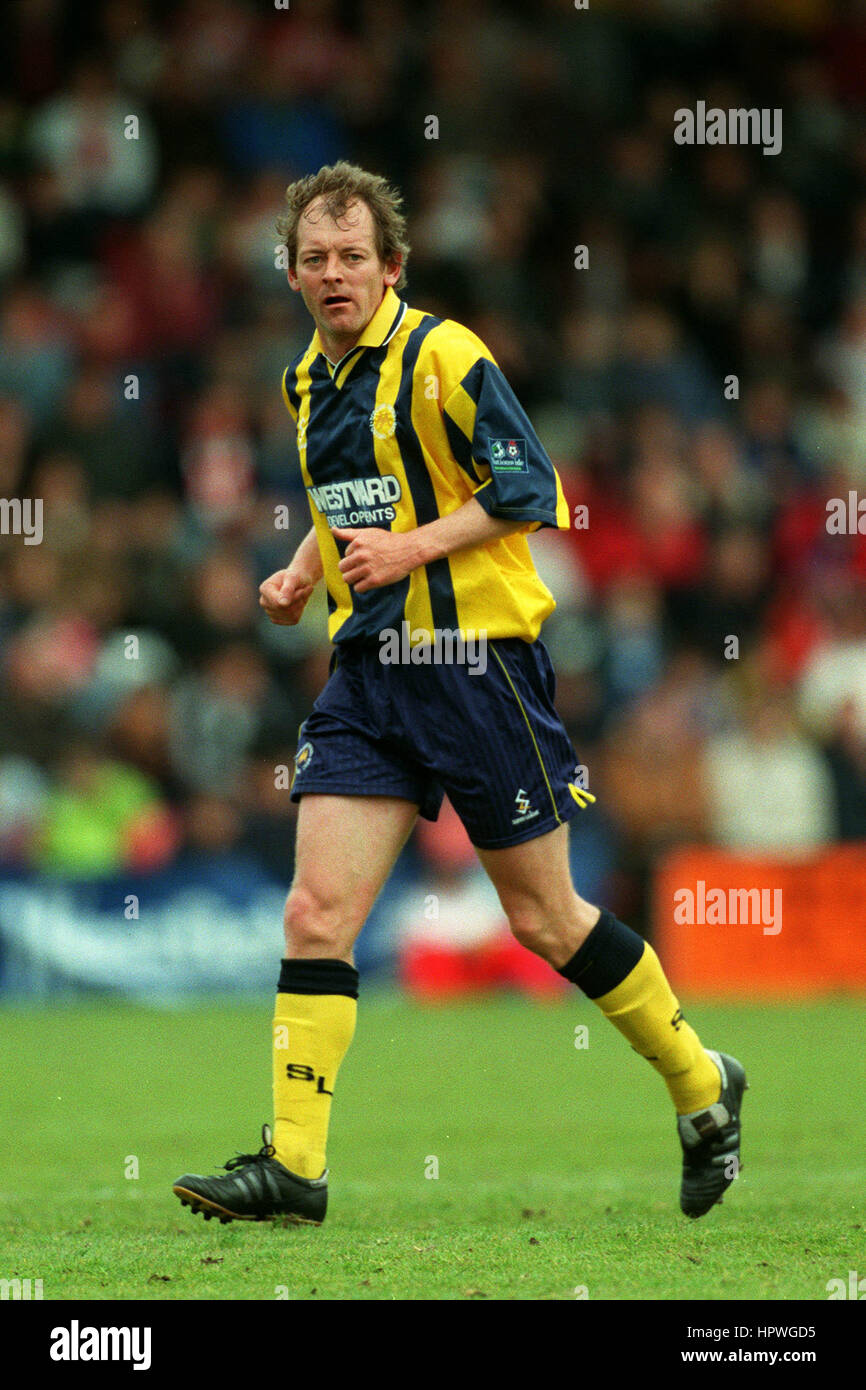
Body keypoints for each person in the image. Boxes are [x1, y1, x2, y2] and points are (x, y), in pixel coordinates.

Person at [172, 162, 746, 1226]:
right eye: (314, 259)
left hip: (474, 666)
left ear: (391, 265)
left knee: (543, 918)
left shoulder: (443, 353)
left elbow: (532, 488)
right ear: (290, 274)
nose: (334, 274)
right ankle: (294, 1166)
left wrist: (410, 550)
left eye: (353, 257)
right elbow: (358, 497)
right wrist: (307, 570)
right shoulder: (308, 378)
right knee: (314, 912)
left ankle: (700, 1084)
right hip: (367, 676)